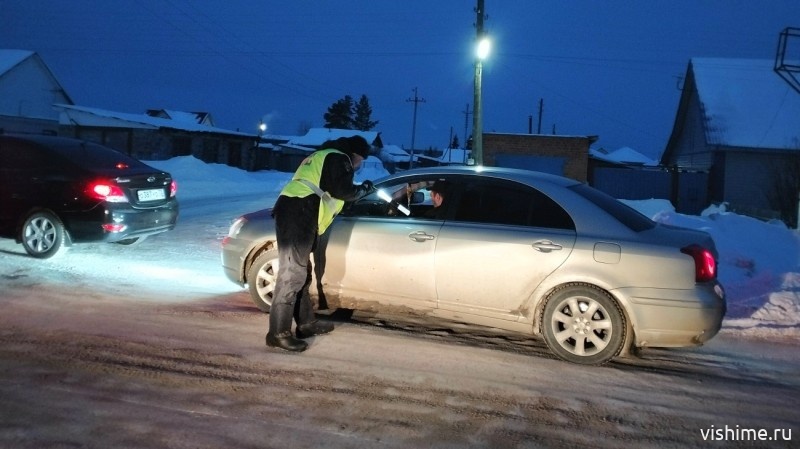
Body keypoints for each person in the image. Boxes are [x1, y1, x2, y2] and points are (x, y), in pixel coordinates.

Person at [266, 136, 375, 352]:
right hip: (299, 212)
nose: (360, 165)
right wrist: (363, 190)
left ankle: (306, 323)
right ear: (354, 154)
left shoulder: (323, 155)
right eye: (361, 160)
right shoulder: (338, 157)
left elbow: (330, 188)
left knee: (302, 272)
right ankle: (278, 333)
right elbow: (342, 191)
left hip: (297, 210)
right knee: (292, 274)